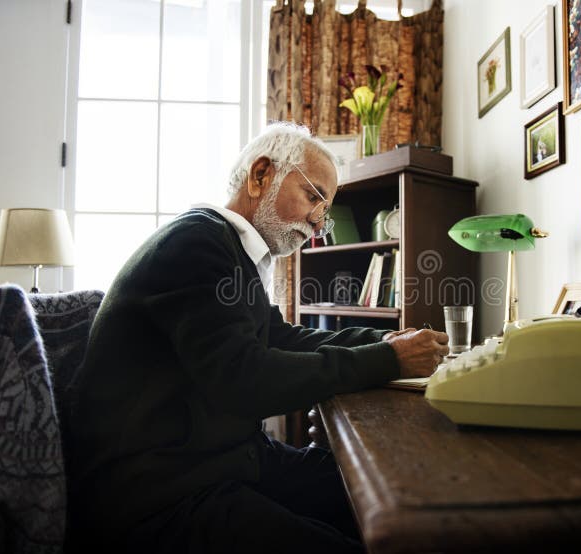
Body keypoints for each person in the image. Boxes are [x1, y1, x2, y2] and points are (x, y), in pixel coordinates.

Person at [66, 122, 449, 553]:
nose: (320, 222)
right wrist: (387, 360)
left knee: (385, 489)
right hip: (157, 495)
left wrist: (385, 341)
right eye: (314, 197)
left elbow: (280, 336)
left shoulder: (232, 252)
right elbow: (243, 380)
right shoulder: (198, 244)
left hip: (222, 461)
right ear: (260, 175)